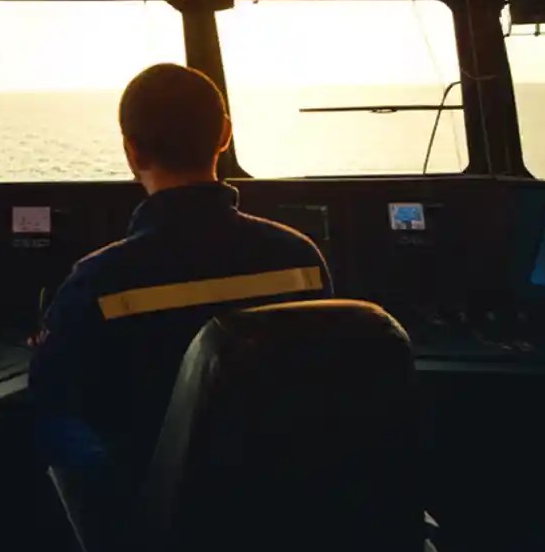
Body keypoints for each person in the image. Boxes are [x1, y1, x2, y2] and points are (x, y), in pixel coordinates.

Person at [29, 63, 334, 497]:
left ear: (132, 151)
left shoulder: (97, 283)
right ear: (225, 134)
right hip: (290, 504)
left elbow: (52, 411)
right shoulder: (302, 259)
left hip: (171, 523)